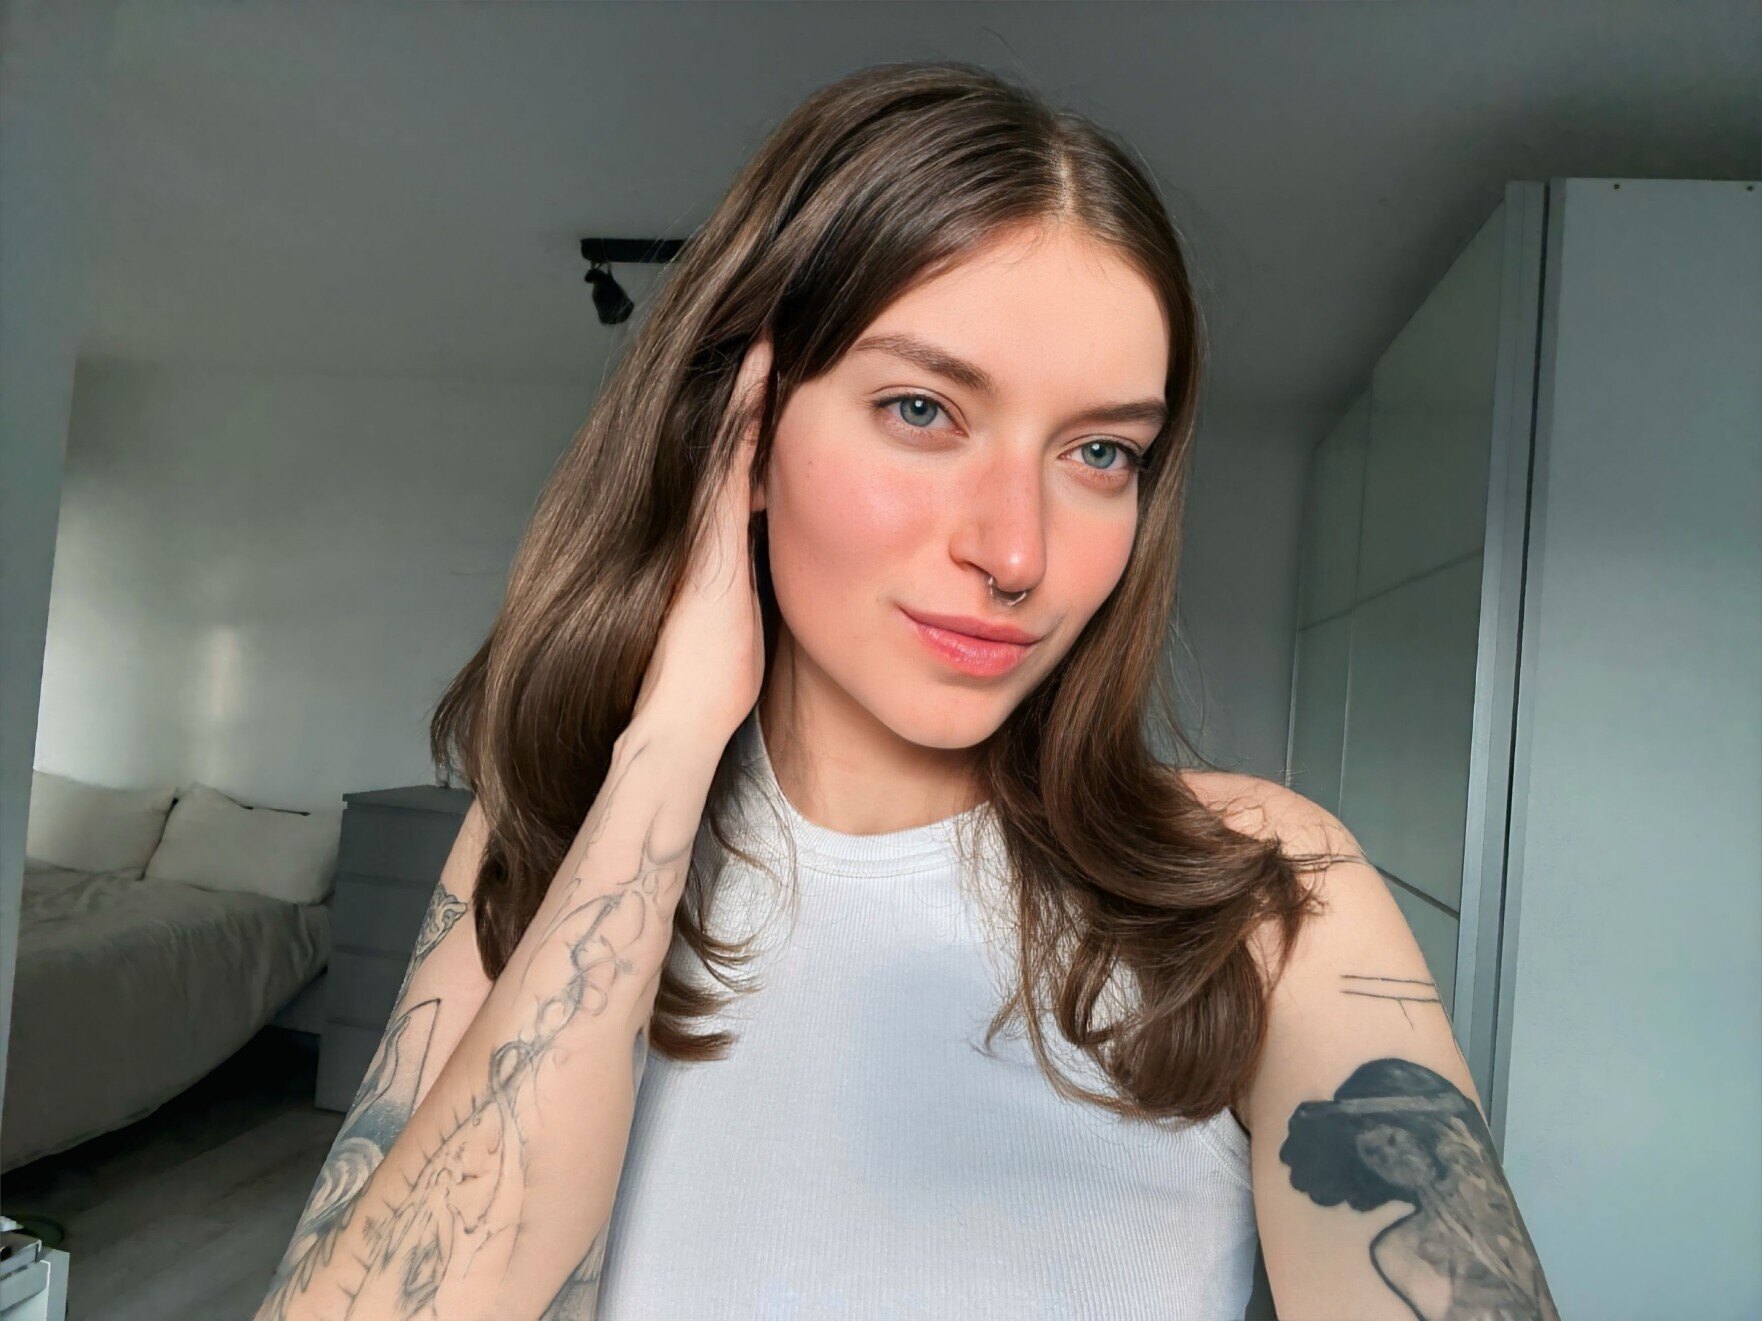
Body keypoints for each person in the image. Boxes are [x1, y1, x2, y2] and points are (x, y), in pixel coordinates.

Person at [256, 59, 1557, 1321]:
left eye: (1100, 452)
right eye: (923, 411)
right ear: (739, 434)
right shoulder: (554, 838)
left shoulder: (1264, 891)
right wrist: (667, 742)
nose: (1017, 553)